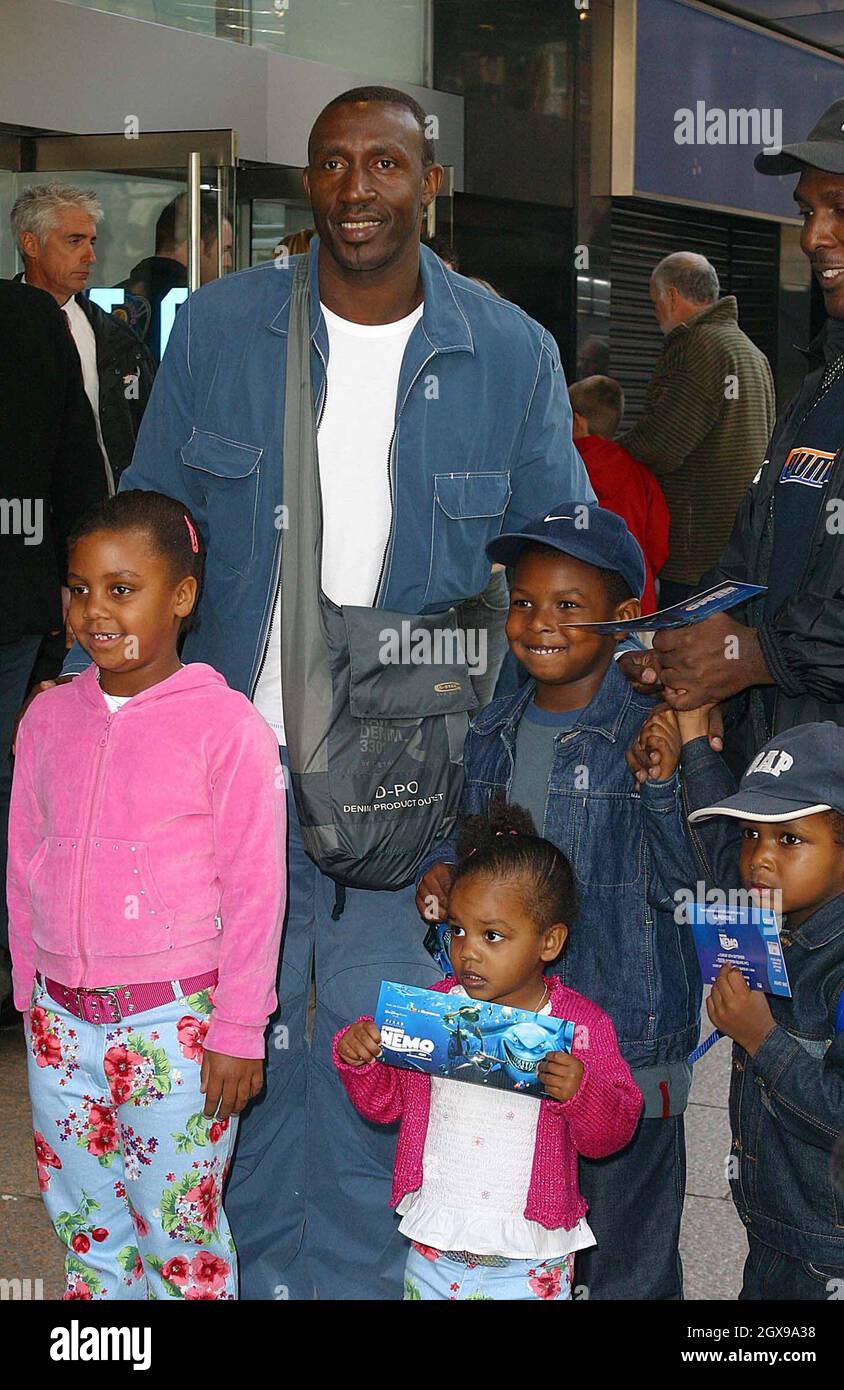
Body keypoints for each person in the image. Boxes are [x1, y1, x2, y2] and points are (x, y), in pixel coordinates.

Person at [49, 85, 595, 1301]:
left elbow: (559, 564)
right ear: (310, 183)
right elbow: (153, 530)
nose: (359, 189)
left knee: (375, 1084)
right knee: (216, 1085)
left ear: (428, 183)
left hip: (413, 815)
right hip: (221, 797)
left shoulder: (508, 354)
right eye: (335, 165)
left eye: (386, 165)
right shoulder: (222, 330)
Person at [416, 505, 704, 1299]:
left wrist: (661, 785)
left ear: (622, 620)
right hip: (511, 1048)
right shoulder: (493, 728)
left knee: (626, 1266)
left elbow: (696, 886)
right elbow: (472, 840)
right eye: (523, 601)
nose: (538, 621)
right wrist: (446, 870)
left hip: (628, 1052)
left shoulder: (655, 732)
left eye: (568, 606)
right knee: (526, 1255)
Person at [7, 490, 287, 1300]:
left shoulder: (226, 728)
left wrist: (239, 1027)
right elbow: (24, 853)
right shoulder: (46, 720)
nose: (95, 610)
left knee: (180, 1239)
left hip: (178, 1031)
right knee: (88, 1237)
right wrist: (31, 990)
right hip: (60, 1021)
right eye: (80, 587)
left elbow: (256, 887)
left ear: (182, 597)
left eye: (122, 588)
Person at [621, 95, 844, 780]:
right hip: (789, 785)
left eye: (843, 209)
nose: (815, 235)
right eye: (806, 211)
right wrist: (688, 656)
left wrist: (755, 657)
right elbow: (758, 556)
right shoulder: (825, 376)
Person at [336, 800, 642, 1301]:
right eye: (457, 929)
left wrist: (581, 1091)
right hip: (436, 1245)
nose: (468, 950)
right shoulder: (434, 1009)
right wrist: (361, 1059)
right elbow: (385, 1105)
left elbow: (610, 1136)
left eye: (493, 935)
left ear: (550, 941)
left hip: (532, 1257)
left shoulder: (580, 1025)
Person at [637, 714, 844, 1300]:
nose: (760, 858)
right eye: (753, 836)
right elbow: (710, 863)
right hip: (777, 1231)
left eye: (789, 840)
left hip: (837, 1259)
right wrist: (685, 759)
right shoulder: (784, 913)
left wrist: (763, 1038)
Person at [0, 280, 108, 1026]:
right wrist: (78, 582)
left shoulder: (32, 321)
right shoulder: (33, 320)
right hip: (15, 591)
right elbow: (77, 460)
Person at [619, 252, 774, 609]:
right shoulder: (749, 350)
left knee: (681, 653)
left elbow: (662, 444)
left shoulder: (698, 346)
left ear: (672, 296)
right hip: (736, 544)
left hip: (695, 550)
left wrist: (605, 454)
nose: (655, 310)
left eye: (654, 300)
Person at [10, 184, 155, 490]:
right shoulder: (9, 324)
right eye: (74, 241)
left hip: (104, 513)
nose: (90, 256)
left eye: (92, 242)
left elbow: (143, 430)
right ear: (30, 244)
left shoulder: (117, 338)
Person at [569, 374, 669, 615]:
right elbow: (659, 546)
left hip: (574, 603)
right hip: (634, 601)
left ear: (577, 421)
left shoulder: (565, 469)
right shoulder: (641, 473)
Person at [117, 192, 233, 362]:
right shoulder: (205, 306)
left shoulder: (120, 294)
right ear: (196, 245)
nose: (228, 262)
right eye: (224, 250)